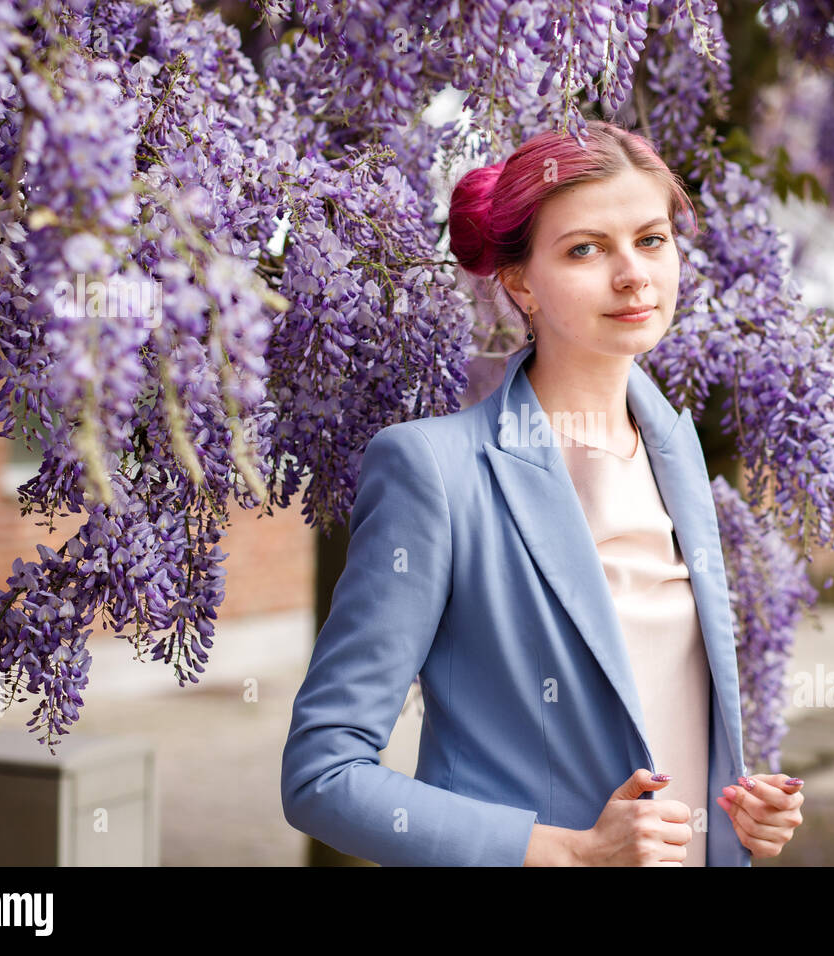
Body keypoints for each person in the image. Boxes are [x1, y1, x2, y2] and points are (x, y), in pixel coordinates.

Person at [280, 119, 804, 866]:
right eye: (585, 249)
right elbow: (322, 776)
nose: (633, 275)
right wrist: (564, 851)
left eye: (652, 240)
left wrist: (738, 816)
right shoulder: (436, 471)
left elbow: (654, 716)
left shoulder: (677, 452)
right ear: (520, 282)